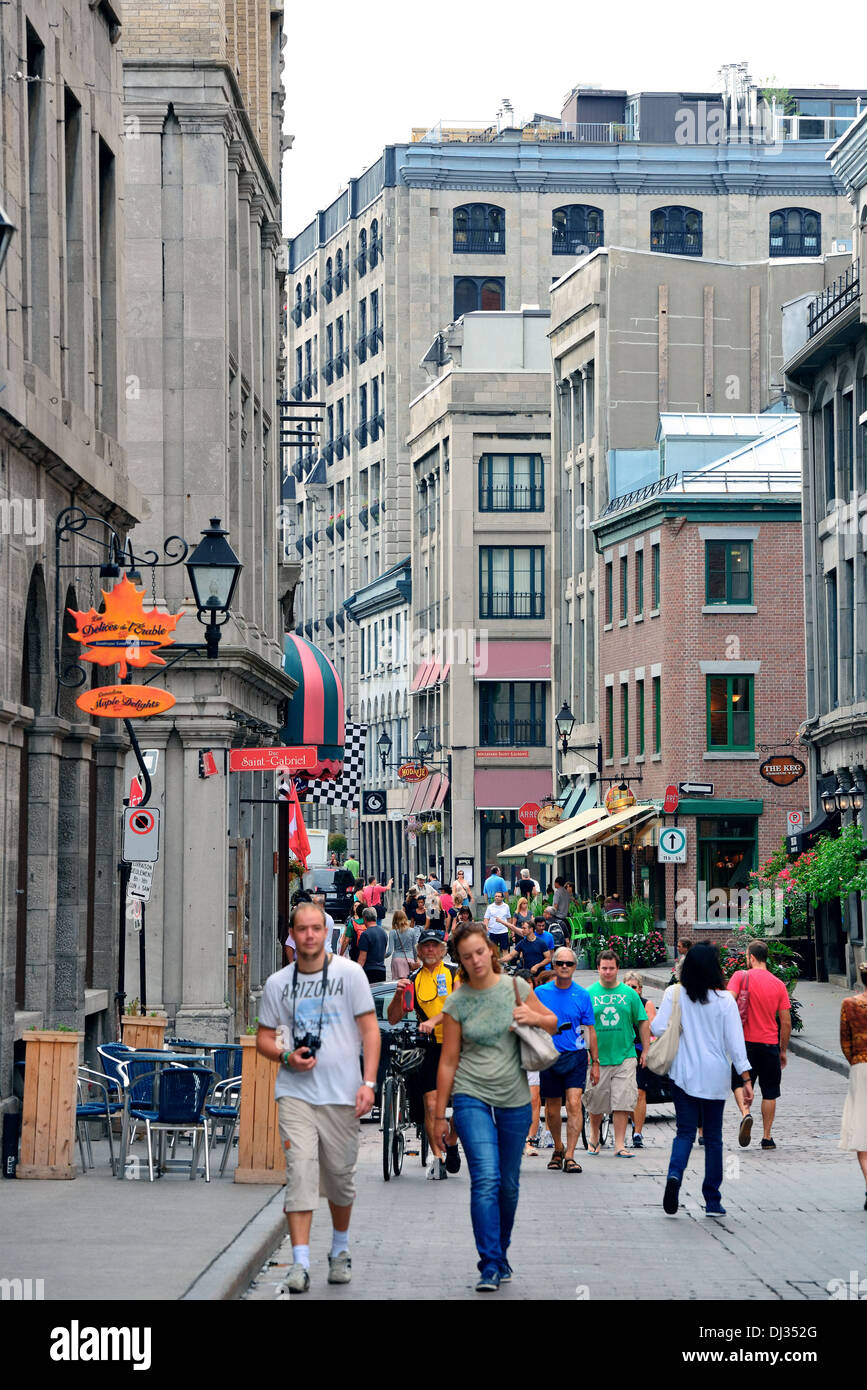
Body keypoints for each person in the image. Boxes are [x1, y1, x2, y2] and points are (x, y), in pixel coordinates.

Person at [256, 901, 380, 1293]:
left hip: (343, 1095)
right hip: (296, 1093)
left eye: (316, 928)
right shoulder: (278, 984)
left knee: (341, 1181)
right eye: (301, 929)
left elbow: (370, 1031)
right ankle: (300, 1262)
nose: (308, 935)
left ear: (326, 933)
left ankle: (339, 1250)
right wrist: (285, 1054)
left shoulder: (351, 975)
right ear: (291, 934)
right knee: (301, 1174)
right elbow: (265, 1035)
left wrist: (369, 1083)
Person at [429, 920, 559, 1290]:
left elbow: (551, 1023)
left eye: (480, 952)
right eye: (467, 956)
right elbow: (449, 1060)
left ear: (491, 950)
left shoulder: (517, 987)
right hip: (471, 1095)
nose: (475, 961)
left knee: (509, 1184)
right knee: (484, 1179)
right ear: (460, 960)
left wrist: (531, 1016)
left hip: (515, 1098)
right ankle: (488, 1263)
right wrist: (440, 1115)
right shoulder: (457, 1002)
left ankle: (501, 1252)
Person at [651, 943, 753, 1218]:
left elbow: (657, 1028)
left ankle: (674, 1176)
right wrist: (745, 1078)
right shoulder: (725, 1001)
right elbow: (735, 1044)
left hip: (683, 1074)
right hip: (715, 1076)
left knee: (684, 1132)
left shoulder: (675, 994)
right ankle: (712, 1199)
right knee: (713, 1137)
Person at [387, 931, 461, 1177]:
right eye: (425, 946)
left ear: (443, 950)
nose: (430, 950)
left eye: (435, 946)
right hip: (429, 1046)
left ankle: (451, 1141)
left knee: (462, 1106)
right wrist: (399, 994)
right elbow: (393, 1017)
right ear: (418, 950)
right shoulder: (414, 978)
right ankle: (437, 1159)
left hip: (457, 1044)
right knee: (431, 1104)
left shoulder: (454, 973)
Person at [536, 948, 599, 1173]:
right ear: (553, 965)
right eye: (560, 963)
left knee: (573, 1103)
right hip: (549, 1056)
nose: (564, 966)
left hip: (575, 1055)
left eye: (569, 964)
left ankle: (570, 1155)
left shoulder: (582, 995)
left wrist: (595, 1061)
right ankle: (558, 1148)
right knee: (552, 1109)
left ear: (574, 967)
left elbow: (588, 1028)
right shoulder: (541, 993)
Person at [727, 940, 791, 1149]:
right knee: (770, 1090)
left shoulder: (740, 977)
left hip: (744, 1043)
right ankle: (767, 1137)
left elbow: (728, 1002)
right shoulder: (778, 984)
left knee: (738, 1082)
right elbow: (786, 1022)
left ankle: (745, 1114)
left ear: (751, 957)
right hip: (770, 1043)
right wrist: (782, 1050)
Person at [585, 950, 650, 1157]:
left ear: (617, 969)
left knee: (622, 1101)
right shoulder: (589, 994)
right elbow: (582, 1025)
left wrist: (646, 1050)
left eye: (611, 968)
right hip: (598, 1058)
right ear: (598, 969)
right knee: (596, 1102)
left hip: (625, 1055)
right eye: (604, 968)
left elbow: (642, 1021)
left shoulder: (629, 994)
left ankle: (620, 1144)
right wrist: (586, 1051)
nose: (607, 972)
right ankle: (594, 1137)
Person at [839, 962, 867, 1209]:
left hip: (861, 1067)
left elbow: (845, 1042)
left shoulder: (850, 1004)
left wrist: (856, 1062)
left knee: (861, 1129)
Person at [623, 972, 656, 1148]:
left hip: (640, 1050)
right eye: (627, 987)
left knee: (639, 1092)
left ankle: (637, 1132)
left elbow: (652, 1028)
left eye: (634, 987)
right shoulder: (620, 1004)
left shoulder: (646, 1004)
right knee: (625, 1092)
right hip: (623, 1051)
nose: (631, 990)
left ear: (640, 989)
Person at [502, 917, 552, 984]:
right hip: (527, 976)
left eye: (524, 928)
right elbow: (511, 955)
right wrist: (498, 960)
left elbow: (548, 958)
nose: (522, 930)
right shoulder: (522, 943)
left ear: (531, 929)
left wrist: (537, 966)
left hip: (539, 976)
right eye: (522, 928)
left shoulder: (541, 943)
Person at [356, 906, 388, 985]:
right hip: (381, 970)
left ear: (364, 918)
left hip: (369, 970)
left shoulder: (365, 934)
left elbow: (362, 958)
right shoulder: (383, 932)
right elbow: (383, 953)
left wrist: (356, 973)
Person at [389, 908, 420, 980]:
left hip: (396, 959)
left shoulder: (393, 932)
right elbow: (415, 948)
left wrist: (382, 956)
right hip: (409, 960)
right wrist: (416, 960)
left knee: (396, 984)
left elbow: (389, 951)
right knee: (408, 983)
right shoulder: (412, 931)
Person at [483, 890, 512, 956]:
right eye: (496, 896)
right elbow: (486, 918)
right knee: (493, 949)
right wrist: (486, 927)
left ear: (502, 898)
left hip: (503, 931)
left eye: (499, 896)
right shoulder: (490, 907)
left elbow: (509, 918)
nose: (497, 897)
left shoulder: (506, 906)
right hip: (493, 931)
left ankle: (506, 964)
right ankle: (494, 964)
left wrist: (510, 929)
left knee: (505, 948)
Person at [339, 895, 367, 961]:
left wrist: (340, 954)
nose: (356, 907)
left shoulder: (364, 919)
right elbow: (345, 932)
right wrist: (342, 940)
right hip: (354, 945)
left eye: (358, 906)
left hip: (356, 947)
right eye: (355, 906)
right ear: (353, 908)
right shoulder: (350, 919)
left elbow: (346, 940)